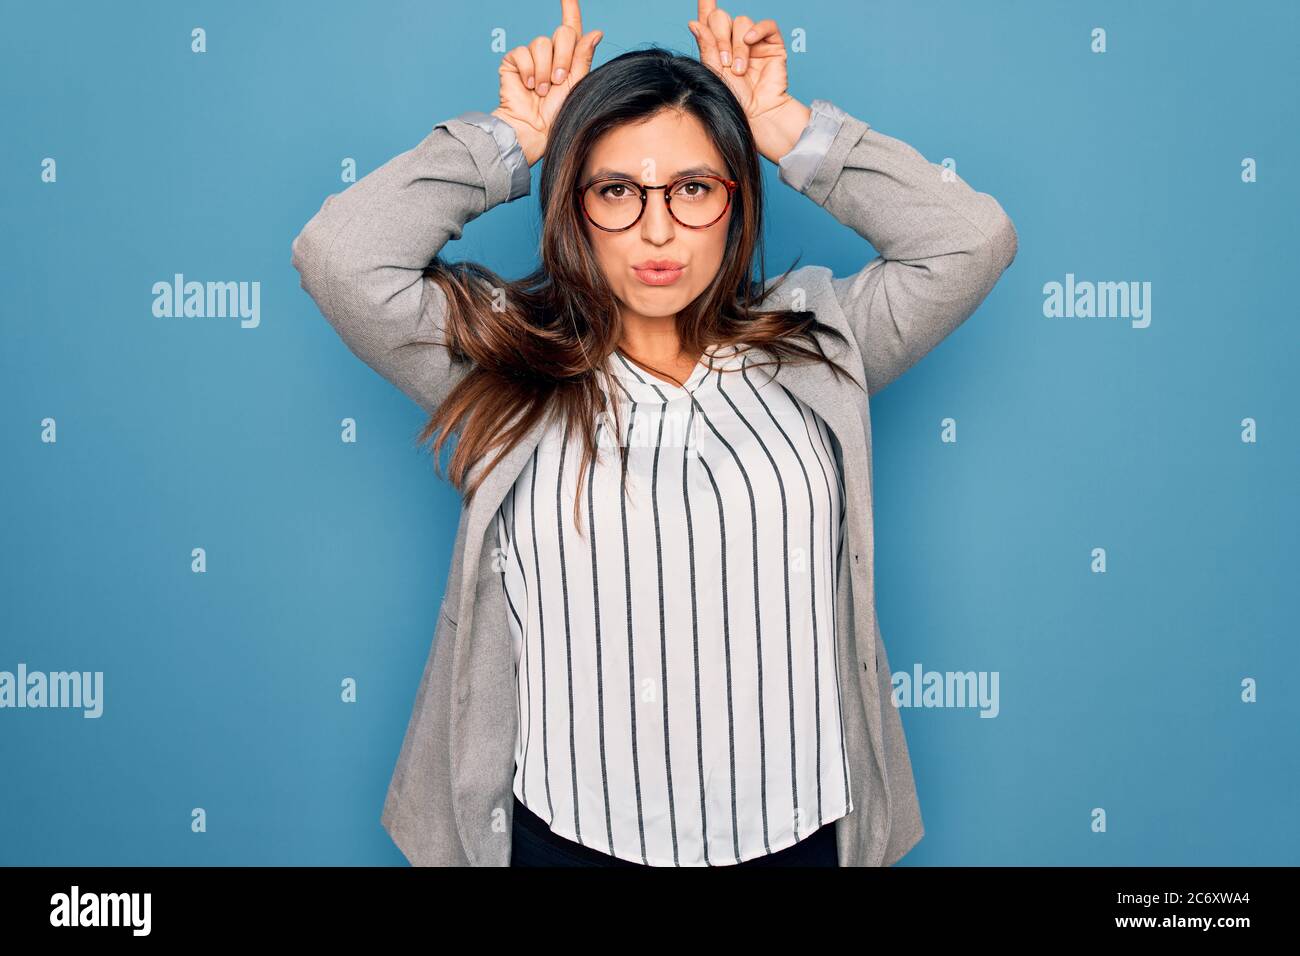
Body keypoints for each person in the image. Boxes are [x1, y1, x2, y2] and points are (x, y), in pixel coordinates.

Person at [291, 0, 1017, 868]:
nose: (658, 229)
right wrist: (514, 136)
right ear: (574, 204)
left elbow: (971, 241)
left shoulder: (824, 343)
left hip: (795, 840)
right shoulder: (504, 363)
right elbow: (339, 255)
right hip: (570, 843)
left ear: (734, 201)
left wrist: (786, 129)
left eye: (693, 188)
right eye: (616, 191)